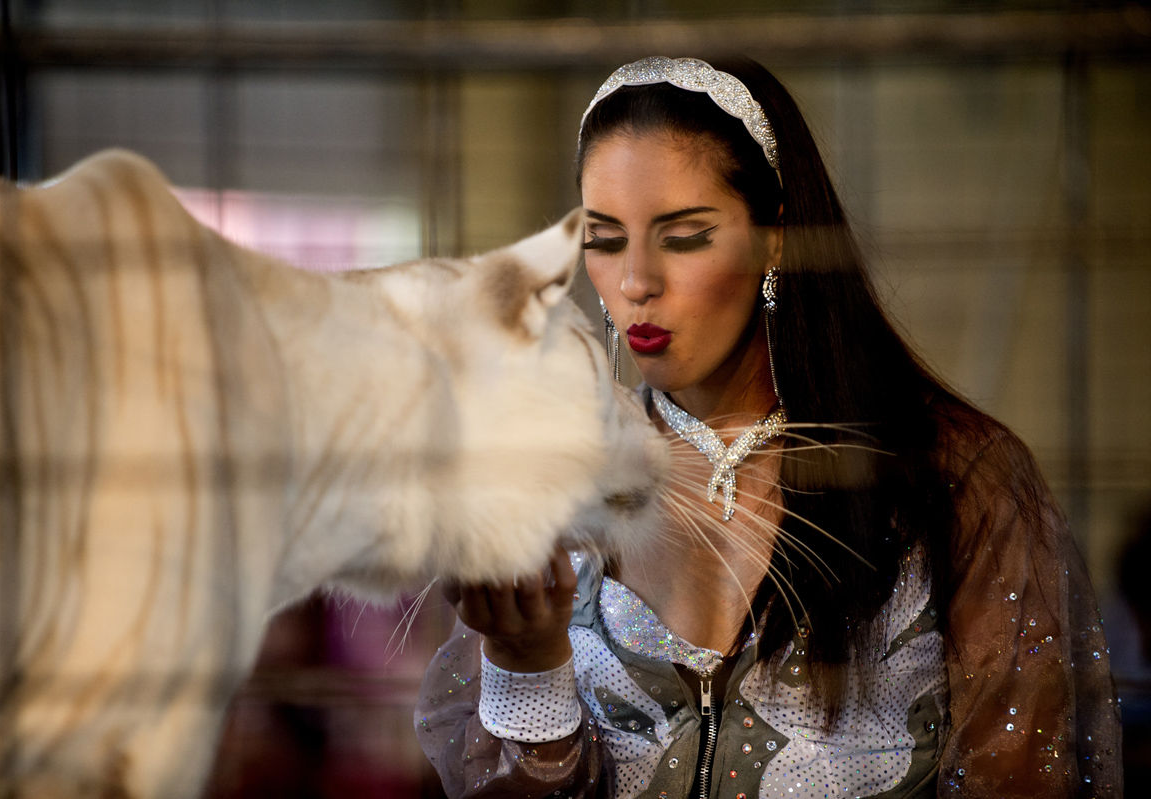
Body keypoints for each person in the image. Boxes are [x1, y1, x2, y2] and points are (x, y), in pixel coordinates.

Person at [414, 56, 1122, 798]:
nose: (635, 282)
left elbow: (1023, 773)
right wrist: (527, 665)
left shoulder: (956, 475)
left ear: (776, 239)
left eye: (683, 236)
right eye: (605, 236)